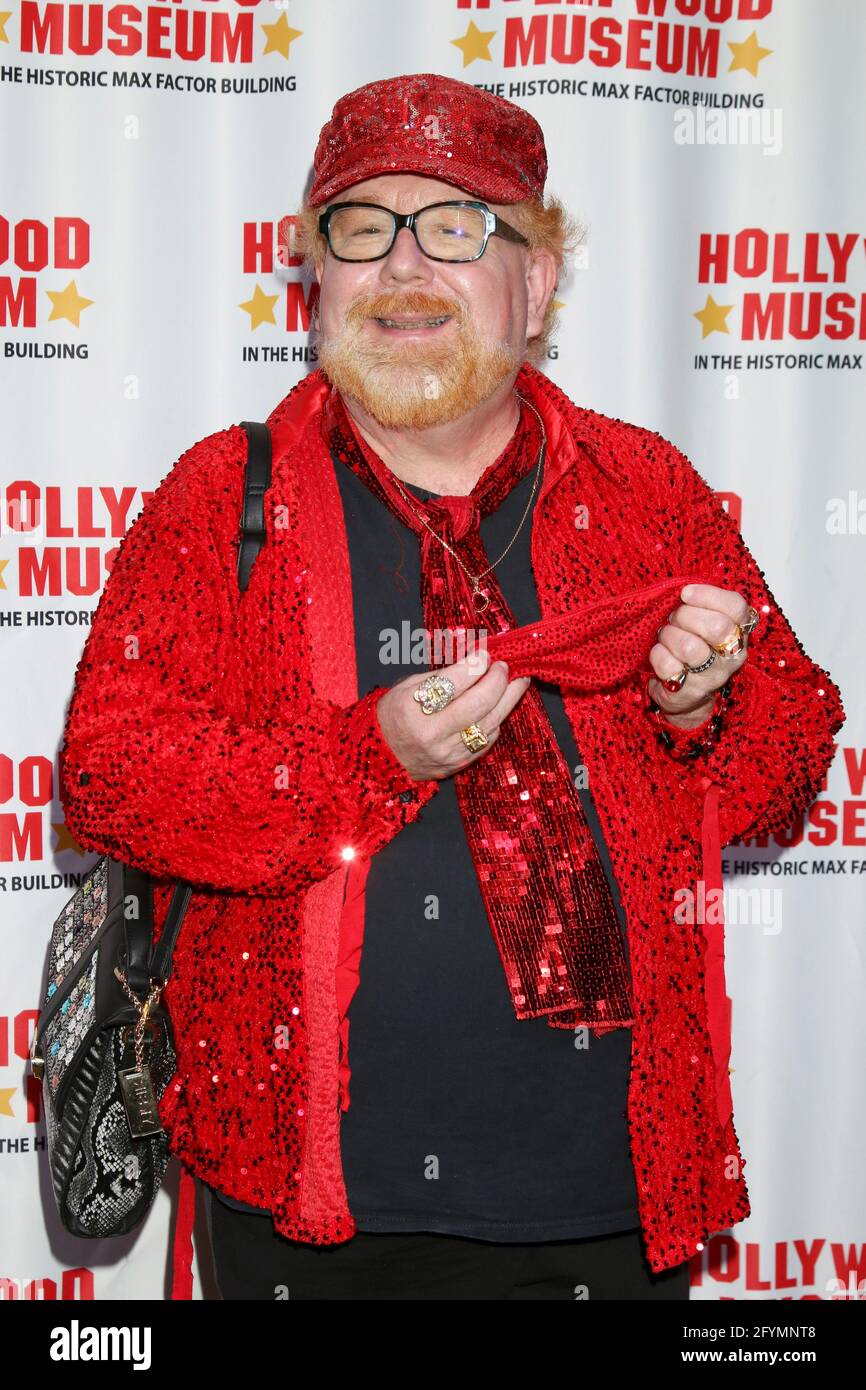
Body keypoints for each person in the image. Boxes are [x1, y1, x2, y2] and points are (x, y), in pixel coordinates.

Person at [59, 73, 844, 1301]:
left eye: (457, 226)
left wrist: (698, 713)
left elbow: (790, 754)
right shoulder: (224, 498)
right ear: (315, 278)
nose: (404, 267)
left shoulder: (646, 493)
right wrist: (365, 761)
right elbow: (112, 774)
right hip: (304, 1200)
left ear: (534, 282)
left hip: (602, 1197)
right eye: (362, 229)